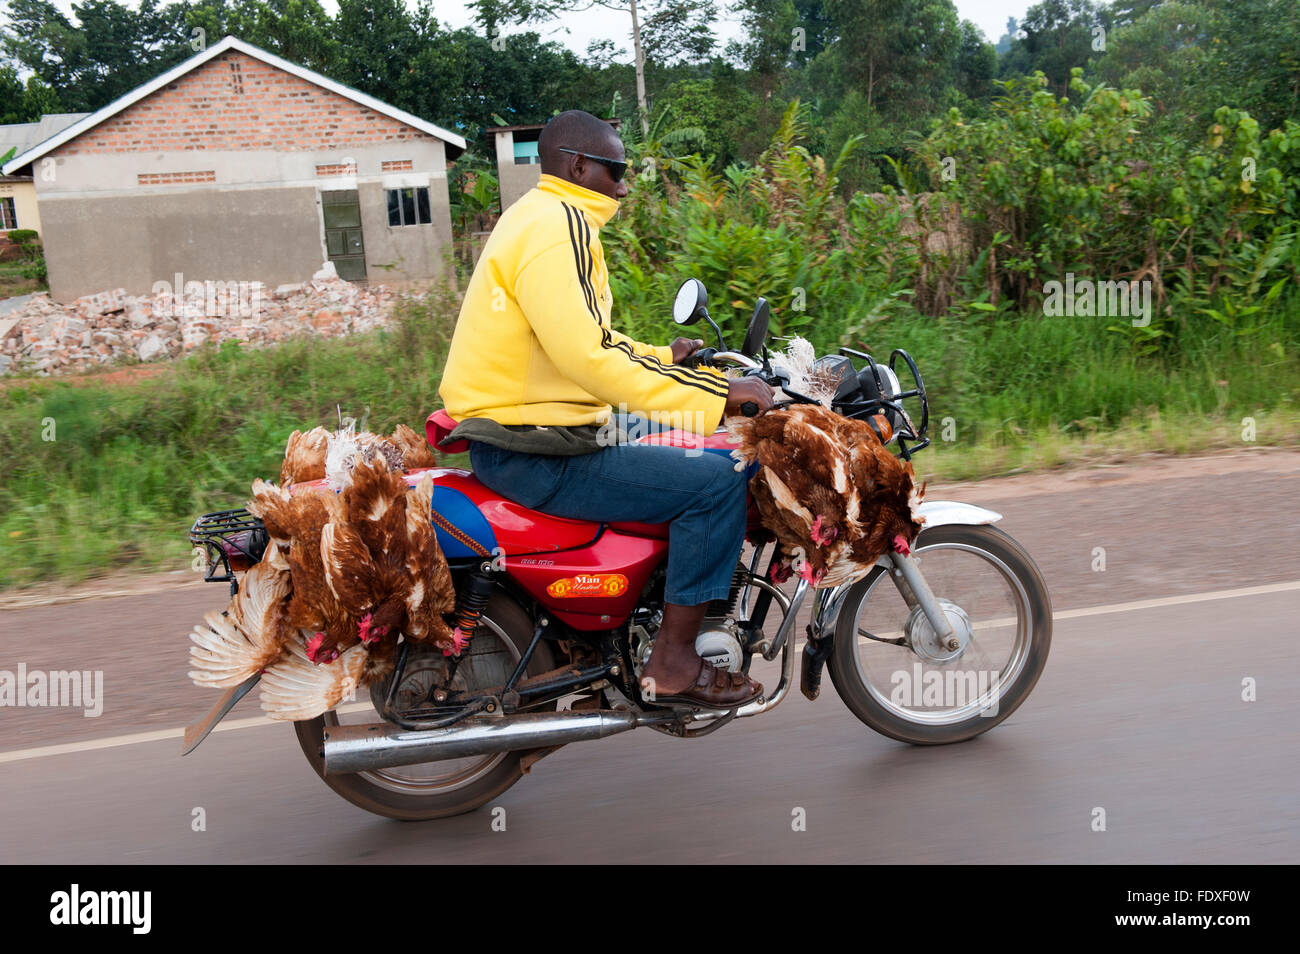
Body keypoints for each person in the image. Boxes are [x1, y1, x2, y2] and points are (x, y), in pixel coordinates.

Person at [439, 110, 775, 709]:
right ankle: (673, 659)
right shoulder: (560, 224)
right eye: (615, 169)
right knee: (719, 481)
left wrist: (665, 359)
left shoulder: (536, 217)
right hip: (539, 444)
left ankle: (651, 608)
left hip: (538, 426)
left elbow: (588, 339)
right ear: (577, 165)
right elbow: (589, 358)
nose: (624, 185)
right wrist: (715, 397)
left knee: (690, 436)